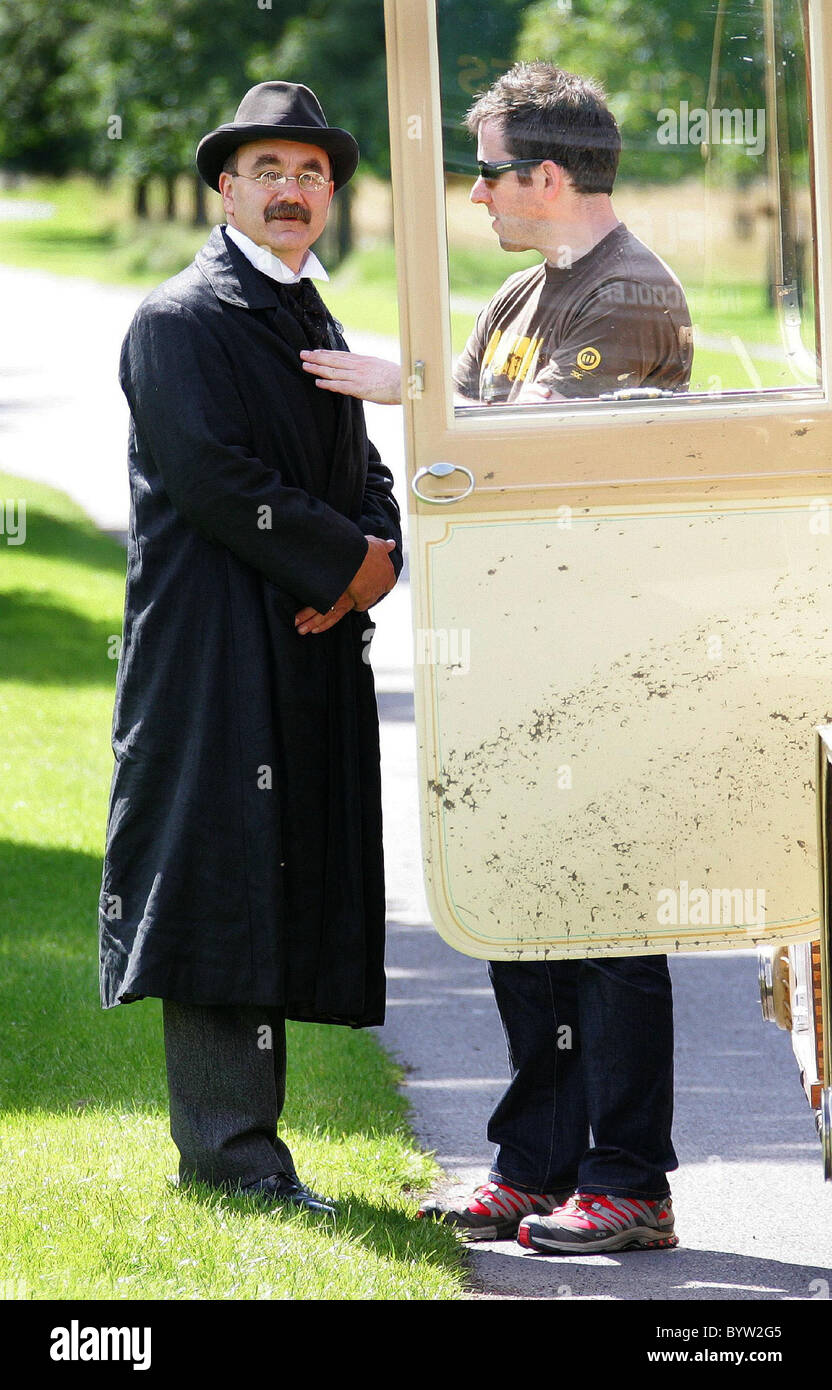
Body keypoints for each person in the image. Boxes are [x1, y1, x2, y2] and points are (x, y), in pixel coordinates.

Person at [301, 61, 691, 1254]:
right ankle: (538, 1164)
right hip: (520, 660)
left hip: (600, 664)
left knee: (608, 929)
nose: (474, 198)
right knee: (525, 914)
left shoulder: (625, 295)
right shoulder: (526, 292)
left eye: (487, 173)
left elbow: (524, 454)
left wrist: (405, 390)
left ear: (551, 175)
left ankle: (629, 1182)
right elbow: (465, 440)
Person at [98, 81, 402, 1217]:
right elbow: (221, 483)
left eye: (310, 172)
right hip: (212, 652)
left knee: (278, 877)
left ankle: (251, 1153)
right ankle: (227, 1160)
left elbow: (360, 467)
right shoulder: (181, 318)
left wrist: (377, 550)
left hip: (305, 639)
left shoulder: (309, 312)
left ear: (330, 196)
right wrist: (345, 565)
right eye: (266, 170)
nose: (290, 189)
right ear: (223, 187)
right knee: (222, 883)